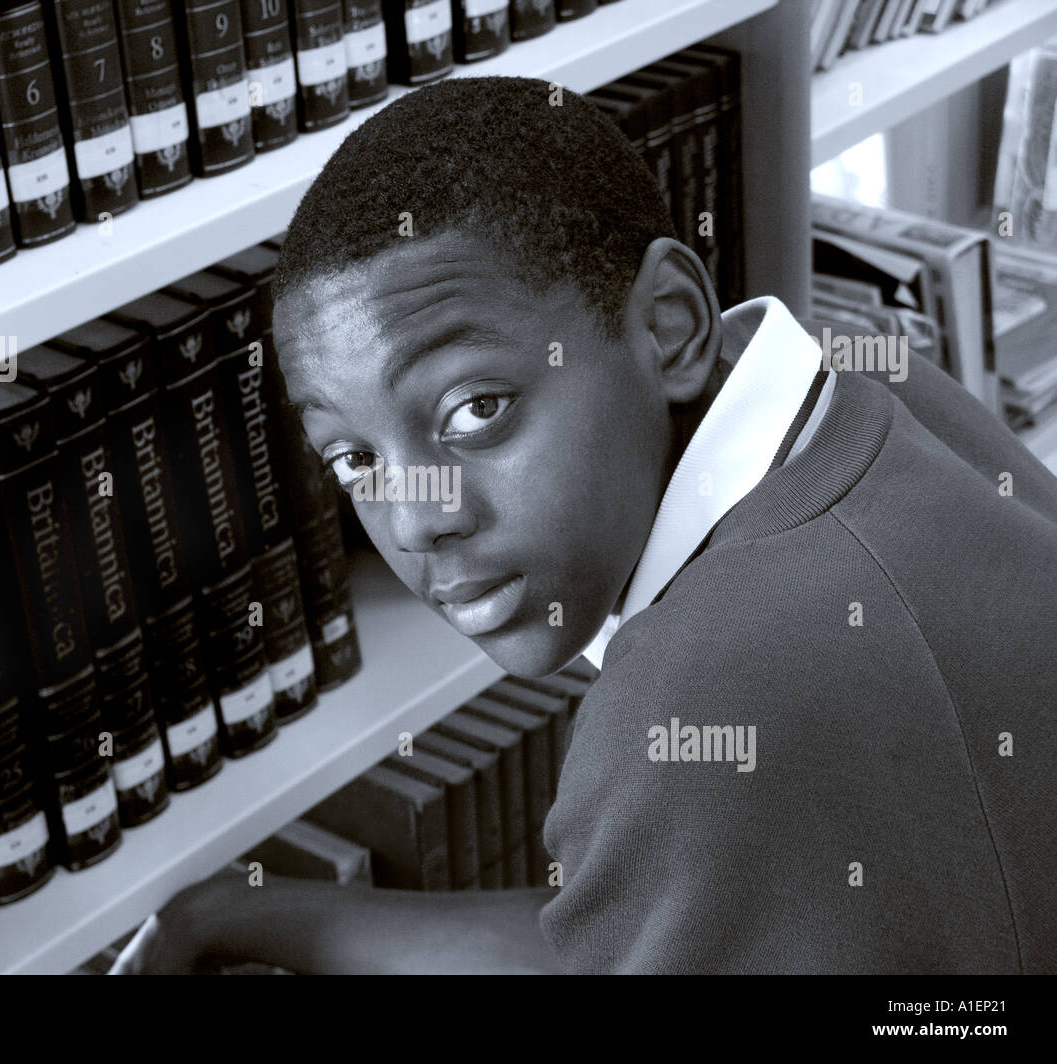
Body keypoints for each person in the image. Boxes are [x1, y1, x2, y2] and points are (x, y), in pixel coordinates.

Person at [114, 76, 1057, 975]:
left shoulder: (698, 698)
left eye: (477, 409)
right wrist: (228, 917)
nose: (415, 523)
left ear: (670, 325)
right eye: (355, 460)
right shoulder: (867, 391)